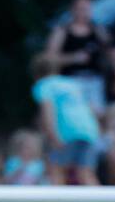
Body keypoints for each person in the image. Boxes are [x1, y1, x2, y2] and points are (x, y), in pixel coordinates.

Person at [32, 54, 101, 186]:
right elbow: (89, 108)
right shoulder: (71, 83)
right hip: (90, 130)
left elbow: (48, 112)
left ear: (36, 74)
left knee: (56, 170)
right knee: (85, 172)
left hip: (67, 131)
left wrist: (53, 136)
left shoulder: (43, 85)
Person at [44, 0, 109, 113]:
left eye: (87, 9)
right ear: (72, 10)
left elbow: (110, 50)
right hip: (70, 80)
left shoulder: (97, 29)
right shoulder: (62, 30)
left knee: (98, 115)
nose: (84, 12)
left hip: (95, 81)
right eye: (81, 9)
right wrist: (73, 58)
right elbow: (48, 58)